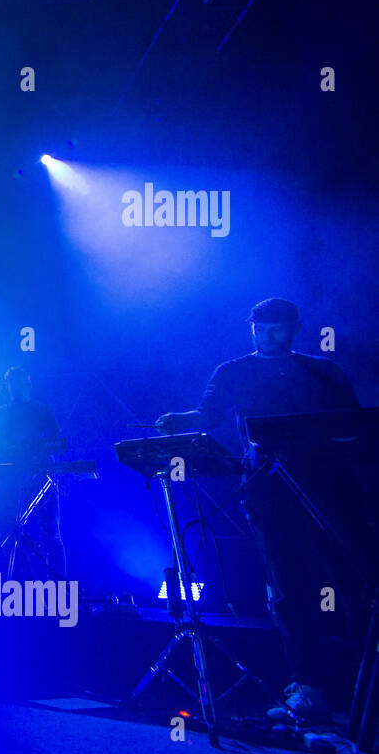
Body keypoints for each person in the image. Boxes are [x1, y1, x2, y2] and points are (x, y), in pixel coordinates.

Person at [156, 298, 371, 726]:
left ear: (295, 329)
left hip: (332, 489)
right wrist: (179, 420)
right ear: (250, 328)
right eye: (261, 328)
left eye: (277, 328)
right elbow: (208, 414)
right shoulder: (233, 371)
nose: (268, 335)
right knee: (287, 588)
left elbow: (355, 426)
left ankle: (368, 688)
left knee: (358, 584)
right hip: (268, 490)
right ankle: (309, 690)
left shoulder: (323, 371)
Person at [0, 367, 67, 577]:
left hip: (41, 477)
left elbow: (56, 442)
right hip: (12, 479)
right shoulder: (1, 413)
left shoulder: (41, 410)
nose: (14, 386)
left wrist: (32, 451)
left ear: (28, 382)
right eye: (11, 382)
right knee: (13, 532)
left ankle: (59, 590)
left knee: (51, 533)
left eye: (18, 381)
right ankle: (17, 588)